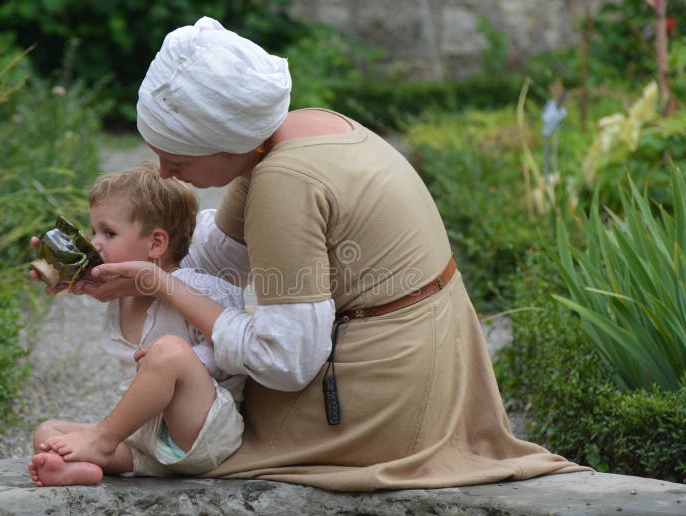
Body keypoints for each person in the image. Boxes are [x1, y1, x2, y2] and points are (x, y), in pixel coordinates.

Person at [47, 16, 588, 491]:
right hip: (427, 358)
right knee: (163, 401)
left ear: (226, 142)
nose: (165, 174)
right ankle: (116, 446)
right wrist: (112, 269)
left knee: (195, 429)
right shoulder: (291, 131)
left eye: (177, 160)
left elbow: (286, 361)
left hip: (385, 393)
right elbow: (214, 257)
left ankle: (124, 453)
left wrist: (160, 284)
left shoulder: (285, 179)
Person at [27, 162, 245, 487]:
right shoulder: (122, 294)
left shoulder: (192, 288)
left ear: (156, 243)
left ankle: (101, 442)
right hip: (146, 437)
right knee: (47, 433)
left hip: (200, 427)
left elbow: (235, 338)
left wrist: (179, 362)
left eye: (108, 233)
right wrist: (70, 275)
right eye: (93, 231)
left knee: (170, 351)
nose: (95, 243)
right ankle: (89, 466)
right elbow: (103, 282)